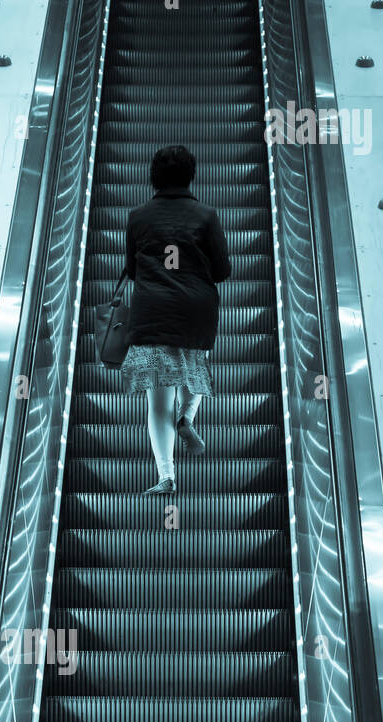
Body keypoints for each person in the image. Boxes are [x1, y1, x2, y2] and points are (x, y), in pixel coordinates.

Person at [122, 145, 231, 494]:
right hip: (195, 309)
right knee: (195, 368)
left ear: (153, 176)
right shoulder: (206, 215)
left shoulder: (138, 216)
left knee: (157, 402)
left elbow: (131, 269)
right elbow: (223, 270)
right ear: (191, 175)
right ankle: (188, 415)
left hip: (153, 311)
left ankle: (166, 476)